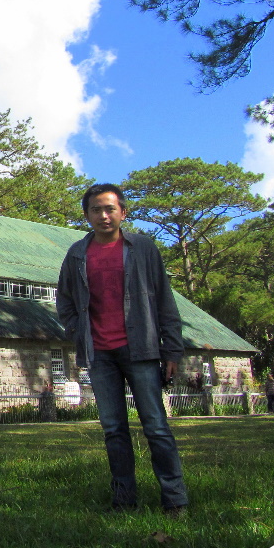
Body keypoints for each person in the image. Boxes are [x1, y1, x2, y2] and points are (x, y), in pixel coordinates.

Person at [56, 184, 189, 515]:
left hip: (141, 349)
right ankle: (124, 499)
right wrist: (77, 331)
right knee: (114, 430)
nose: (103, 215)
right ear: (86, 215)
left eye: (110, 209)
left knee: (156, 426)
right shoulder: (76, 254)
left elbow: (165, 303)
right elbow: (65, 300)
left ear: (122, 213)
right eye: (96, 210)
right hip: (99, 354)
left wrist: (171, 351)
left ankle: (174, 499)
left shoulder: (142, 248)